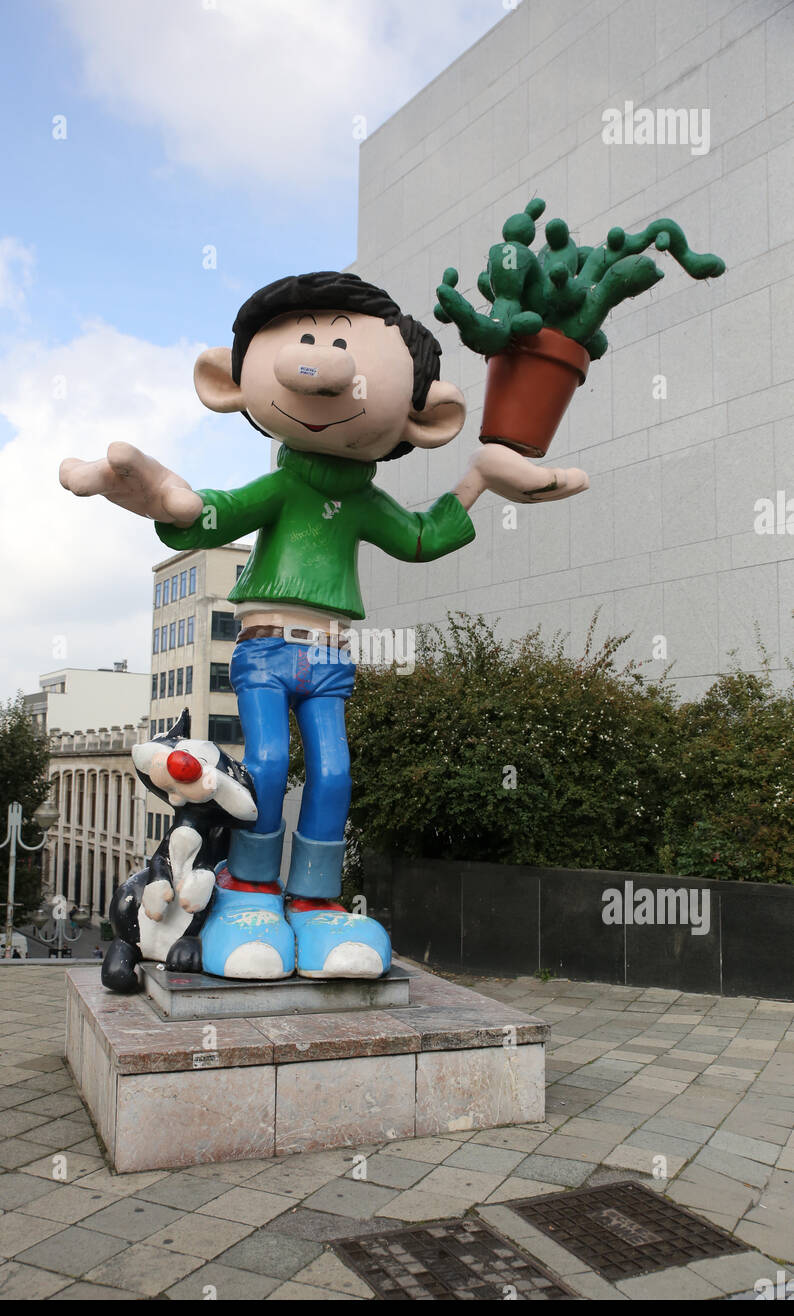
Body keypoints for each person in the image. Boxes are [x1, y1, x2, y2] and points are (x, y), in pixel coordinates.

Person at [61, 271, 587, 979]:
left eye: (339, 345)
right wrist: (164, 500)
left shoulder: (366, 501)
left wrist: (481, 478)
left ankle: (312, 901)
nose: (320, 361)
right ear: (228, 382)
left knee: (335, 774)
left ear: (423, 418)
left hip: (331, 654)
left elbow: (424, 537)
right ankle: (249, 895)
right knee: (269, 766)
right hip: (265, 648)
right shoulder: (283, 485)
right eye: (304, 339)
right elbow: (213, 512)